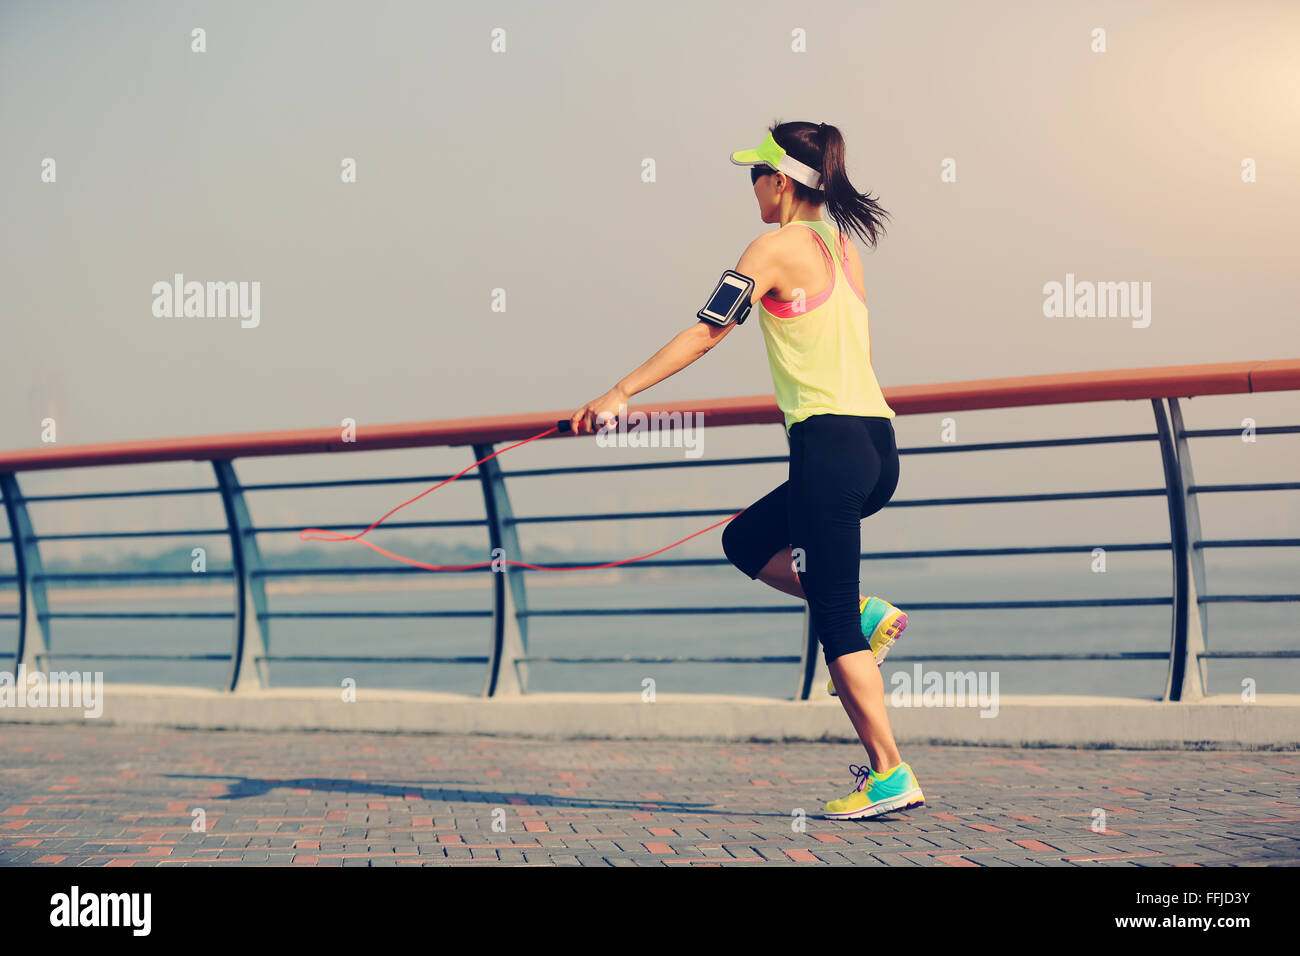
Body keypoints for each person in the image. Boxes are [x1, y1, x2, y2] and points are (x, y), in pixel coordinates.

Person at [569, 120, 925, 821]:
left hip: (828, 447)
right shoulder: (842, 247)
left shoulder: (775, 247)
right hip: (877, 447)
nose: (751, 188)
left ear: (781, 180)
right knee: (744, 541)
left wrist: (620, 392)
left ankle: (889, 772)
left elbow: (707, 331)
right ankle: (863, 611)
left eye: (753, 175)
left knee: (831, 621)